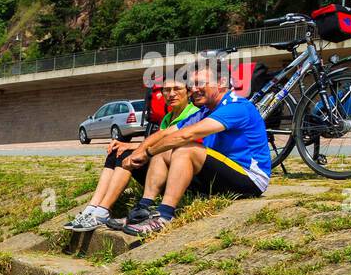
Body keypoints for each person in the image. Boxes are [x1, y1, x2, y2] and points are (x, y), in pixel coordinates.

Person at [120, 65, 272, 236]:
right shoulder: (206, 110)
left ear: (221, 83)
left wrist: (148, 153)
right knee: (164, 148)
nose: (193, 89)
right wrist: (140, 150)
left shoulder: (236, 107)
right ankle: (142, 210)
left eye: (200, 83)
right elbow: (166, 133)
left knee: (185, 148)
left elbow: (186, 135)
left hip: (250, 179)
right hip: (222, 176)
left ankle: (164, 217)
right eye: (192, 84)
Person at [64, 80, 198, 232]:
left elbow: (170, 143)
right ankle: (92, 208)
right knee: (117, 152)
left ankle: (102, 212)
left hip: (178, 173)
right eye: (167, 90)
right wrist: (126, 145)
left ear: (188, 92)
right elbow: (159, 142)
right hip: (160, 166)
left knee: (127, 155)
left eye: (177, 89)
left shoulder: (193, 113)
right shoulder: (168, 118)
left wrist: (133, 149)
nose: (171, 94)